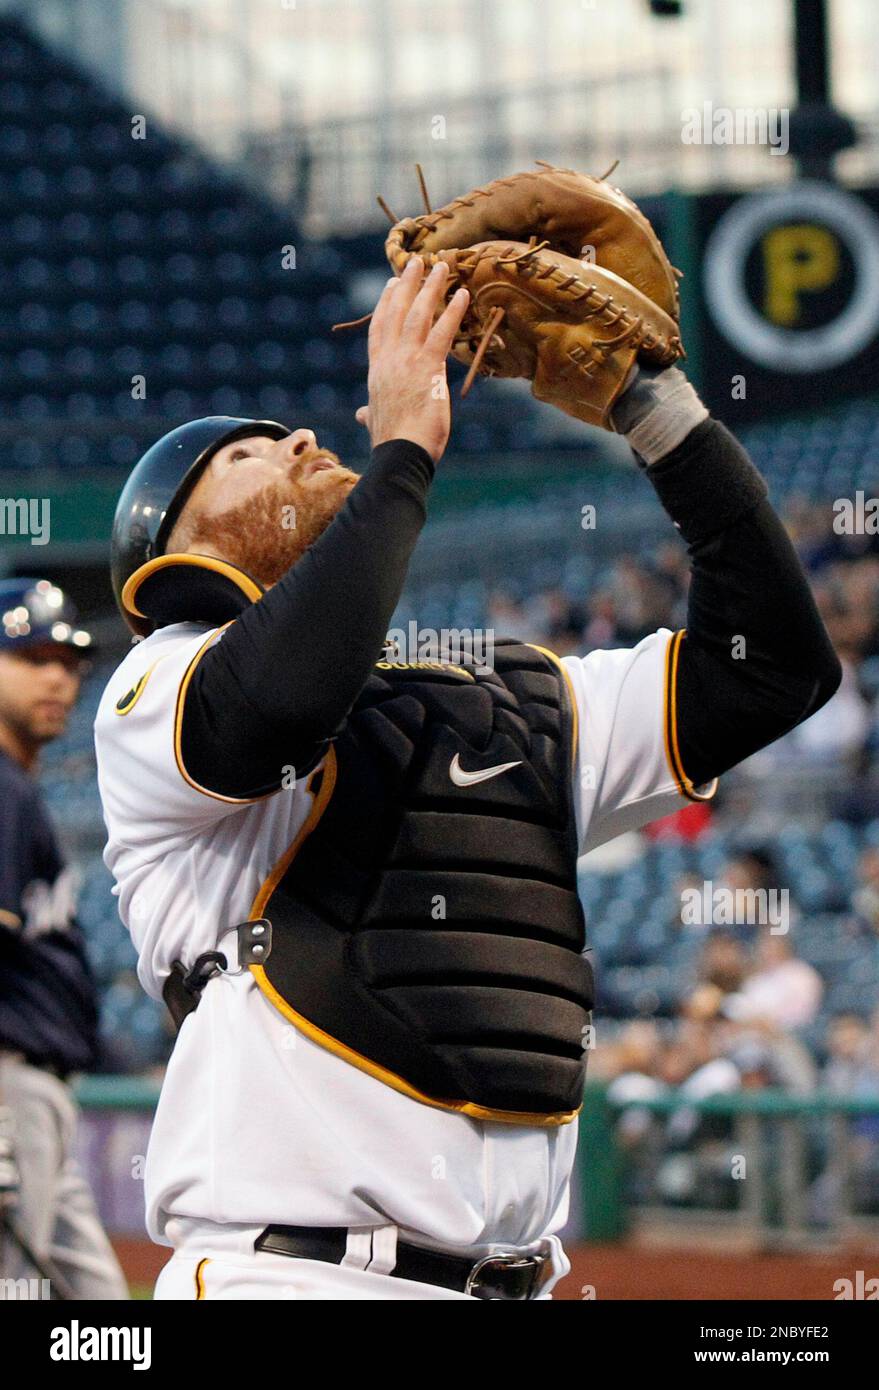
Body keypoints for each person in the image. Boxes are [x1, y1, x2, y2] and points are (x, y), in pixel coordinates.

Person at [96, 258, 841, 1300]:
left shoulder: (517, 694)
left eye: (290, 433)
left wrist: (654, 408)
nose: (301, 440)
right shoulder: (155, 685)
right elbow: (275, 704)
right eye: (249, 457)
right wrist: (404, 445)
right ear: (175, 548)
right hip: (295, 1280)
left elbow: (773, 670)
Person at [0, 579, 128, 1301]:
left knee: (100, 1311)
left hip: (39, 1087)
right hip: (8, 1091)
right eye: (30, 655)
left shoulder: (17, 787)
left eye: (69, 659)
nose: (57, 675)